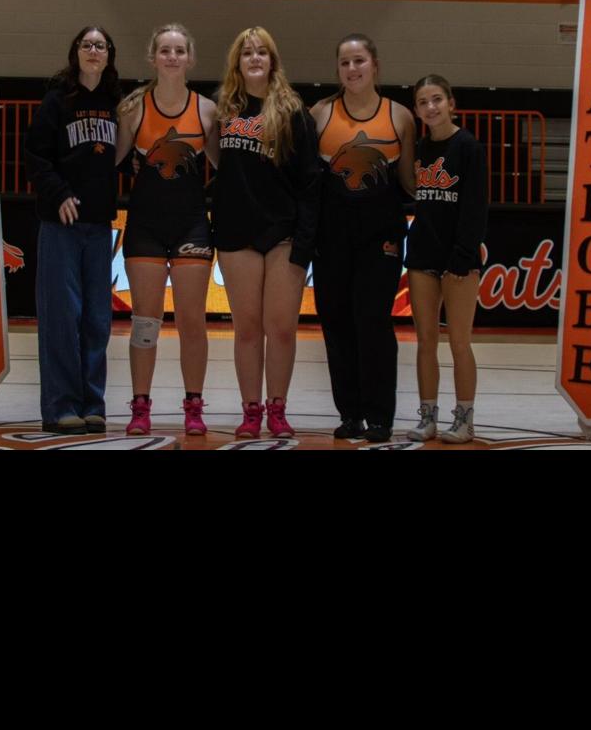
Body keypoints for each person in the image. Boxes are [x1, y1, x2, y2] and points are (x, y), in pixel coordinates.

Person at [210, 28, 322, 439]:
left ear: (273, 61)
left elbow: (311, 182)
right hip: (237, 230)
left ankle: (277, 407)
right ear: (237, 62)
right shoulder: (223, 110)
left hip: (283, 233)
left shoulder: (294, 111)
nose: (255, 58)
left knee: (281, 328)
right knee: (247, 328)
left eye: (262, 52)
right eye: (247, 53)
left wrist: (306, 240)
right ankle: (250, 410)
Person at [308, 34, 417, 442]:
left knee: (372, 322)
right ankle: (350, 413)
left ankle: (379, 416)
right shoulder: (319, 114)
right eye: (344, 63)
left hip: (381, 238)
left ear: (375, 65)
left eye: (359, 61)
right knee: (336, 323)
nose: (352, 69)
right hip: (331, 237)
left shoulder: (400, 116)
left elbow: (408, 181)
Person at [114, 23, 219, 436]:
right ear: (153, 57)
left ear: (190, 58)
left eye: (179, 51)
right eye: (165, 50)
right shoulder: (132, 109)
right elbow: (110, 161)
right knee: (145, 321)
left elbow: (230, 166)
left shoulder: (208, 110)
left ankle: (194, 405)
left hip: (192, 224)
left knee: (193, 321)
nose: (172, 57)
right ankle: (141, 407)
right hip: (145, 226)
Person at [24, 27, 121, 435]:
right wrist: (59, 193)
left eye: (100, 45)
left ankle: (92, 403)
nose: (93, 51)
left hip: (99, 227)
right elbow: (34, 155)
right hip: (61, 226)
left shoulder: (118, 104)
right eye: (87, 44)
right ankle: (61, 406)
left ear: (108, 55)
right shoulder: (57, 101)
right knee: (63, 318)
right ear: (75, 52)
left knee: (97, 320)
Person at [406, 75, 487, 444]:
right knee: (425, 341)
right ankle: (427, 417)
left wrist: (463, 256)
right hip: (423, 254)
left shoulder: (468, 146)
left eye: (436, 99)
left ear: (451, 102)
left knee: (459, 342)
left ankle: (465, 418)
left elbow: (475, 208)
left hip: (459, 262)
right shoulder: (421, 148)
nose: (430, 107)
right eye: (423, 102)